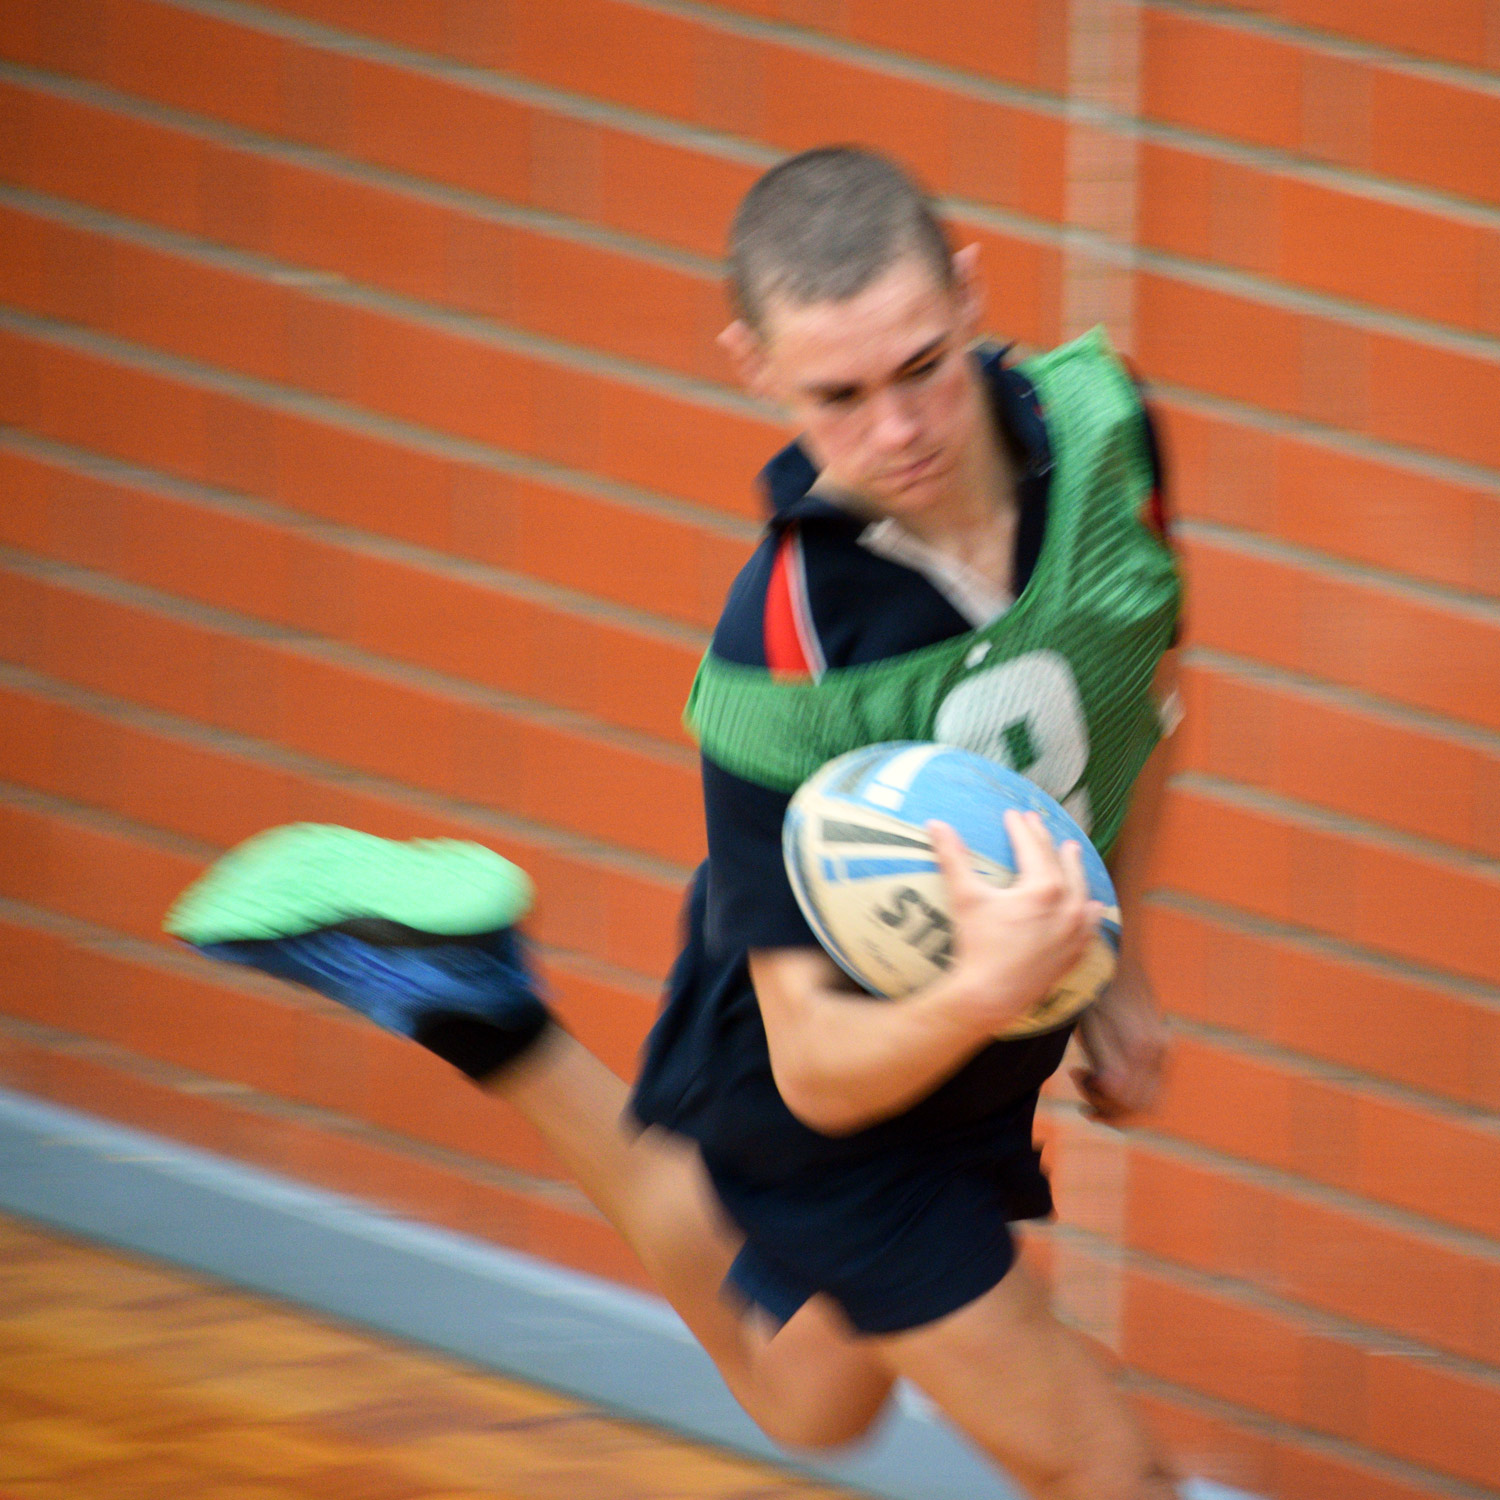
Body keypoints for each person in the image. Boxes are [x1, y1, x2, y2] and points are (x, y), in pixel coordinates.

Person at [169, 146, 1184, 1500]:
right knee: (1109, 1479)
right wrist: (998, 988)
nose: (898, 430)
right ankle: (487, 1010)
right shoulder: (782, 647)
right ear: (751, 367)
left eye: (924, 365)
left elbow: (1147, 687)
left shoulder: (1109, 432)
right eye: (838, 396)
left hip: (983, 1019)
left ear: (972, 293)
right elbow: (816, 1066)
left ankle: (487, 1012)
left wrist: (1122, 961)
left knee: (815, 1404)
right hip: (832, 1071)